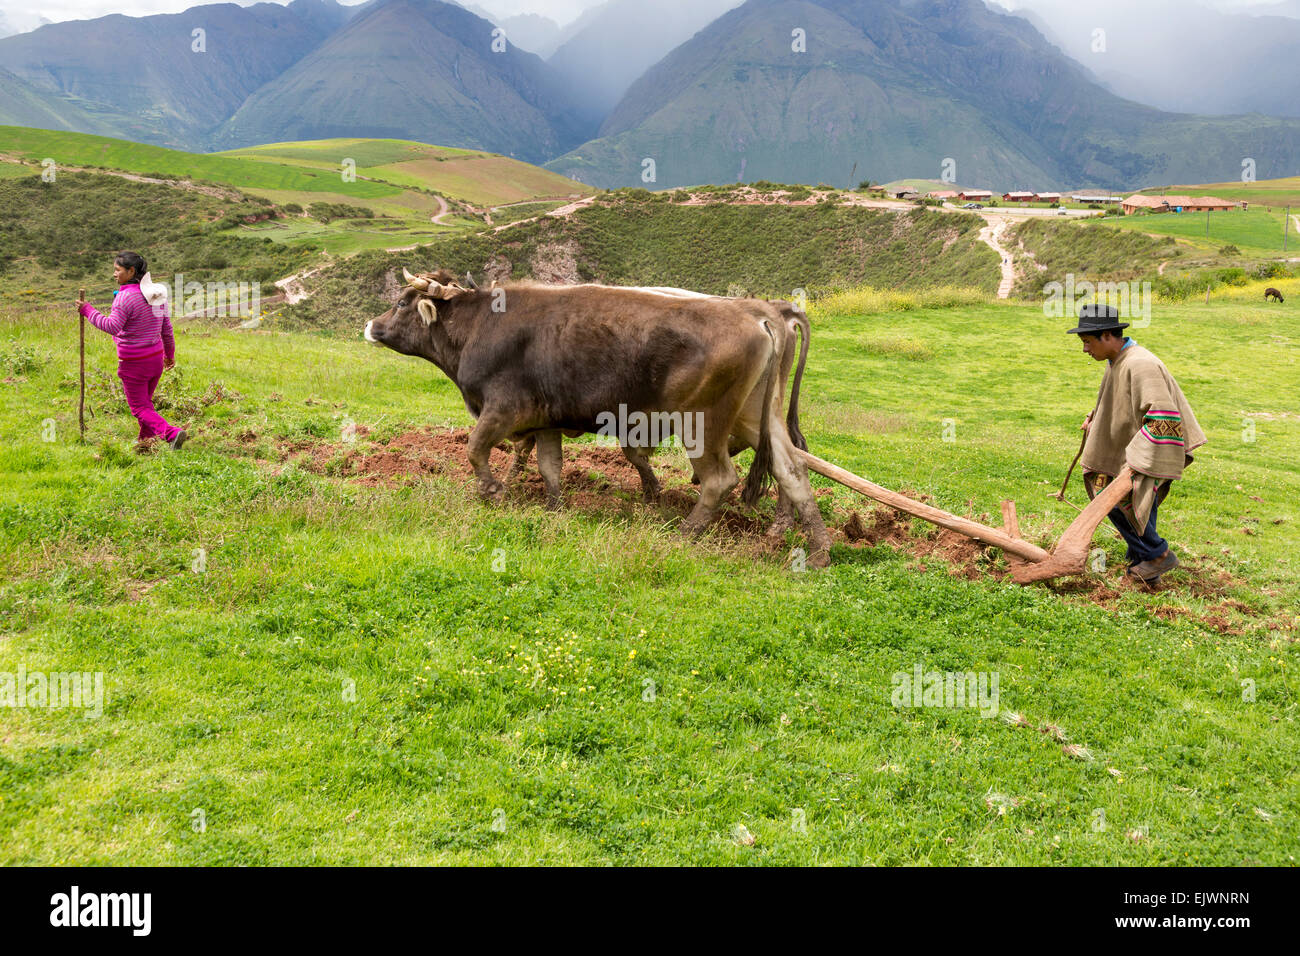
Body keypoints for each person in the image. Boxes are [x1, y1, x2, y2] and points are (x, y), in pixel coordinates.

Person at [1069, 304, 1205, 583]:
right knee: (1123, 501)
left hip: (1147, 449)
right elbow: (1123, 403)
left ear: (1106, 335)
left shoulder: (1140, 364)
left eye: (1087, 342)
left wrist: (1137, 460)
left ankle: (1157, 555)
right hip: (1131, 447)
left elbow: (1162, 415)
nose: (1085, 350)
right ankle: (1144, 564)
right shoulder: (1118, 360)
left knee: (1121, 500)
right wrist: (1096, 417)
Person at [77, 251, 187, 450]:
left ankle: (171, 433)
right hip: (155, 360)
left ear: (131, 271)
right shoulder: (156, 294)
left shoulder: (125, 297)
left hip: (134, 363)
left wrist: (88, 310)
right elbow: (167, 329)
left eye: (117, 270)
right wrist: (169, 355)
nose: (114, 274)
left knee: (139, 407)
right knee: (146, 403)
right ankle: (145, 441)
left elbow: (112, 326)